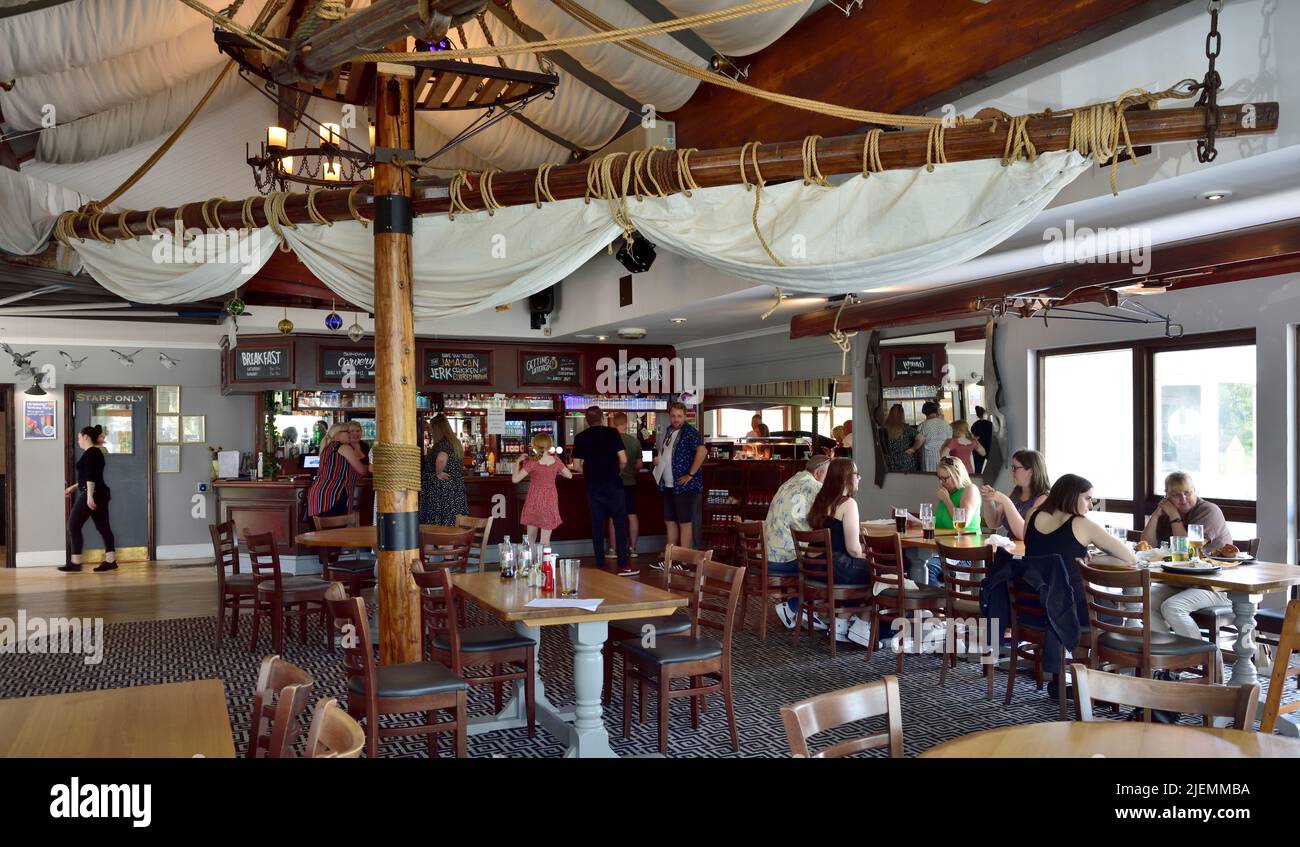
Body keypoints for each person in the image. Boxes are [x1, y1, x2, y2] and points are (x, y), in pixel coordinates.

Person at [1022, 473, 1136, 697]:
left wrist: (1082, 557)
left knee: (1081, 607)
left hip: (1033, 604)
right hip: (1068, 607)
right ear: (1072, 496)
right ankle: (1093, 684)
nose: (1090, 505)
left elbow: (1035, 550)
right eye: (1088, 498)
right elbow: (1129, 557)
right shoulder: (1082, 524)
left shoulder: (1032, 515)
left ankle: (1073, 681)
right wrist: (1090, 559)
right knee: (1109, 614)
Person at [1142, 472, 1233, 642]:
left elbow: (1188, 550)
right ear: (1166, 497)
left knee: (1172, 607)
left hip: (1217, 586)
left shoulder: (1208, 510)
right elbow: (1147, 546)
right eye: (1176, 495)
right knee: (1145, 601)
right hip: (1182, 582)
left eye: (1188, 493)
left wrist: (1174, 517)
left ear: (1195, 491)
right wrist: (1155, 516)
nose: (1183, 499)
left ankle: (1200, 657)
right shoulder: (1168, 513)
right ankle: (1168, 654)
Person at [806, 458, 871, 642]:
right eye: (856, 475)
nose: (859, 478)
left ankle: (841, 624)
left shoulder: (820, 501)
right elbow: (853, 550)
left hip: (814, 568)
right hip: (835, 567)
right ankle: (862, 624)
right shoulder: (848, 504)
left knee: (864, 571)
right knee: (880, 571)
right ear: (846, 478)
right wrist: (868, 556)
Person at [763, 454, 830, 628]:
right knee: (827, 568)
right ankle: (793, 607)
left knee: (820, 562)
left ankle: (807, 610)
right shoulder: (815, 487)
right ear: (817, 473)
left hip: (768, 555)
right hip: (786, 559)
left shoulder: (789, 482)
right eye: (827, 476)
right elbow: (827, 521)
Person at [572, 406, 633, 575]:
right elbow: (623, 459)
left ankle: (600, 565)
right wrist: (617, 470)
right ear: (603, 418)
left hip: (593, 487)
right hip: (614, 485)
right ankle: (623, 564)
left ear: (586, 421)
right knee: (620, 524)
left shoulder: (580, 437)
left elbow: (576, 466)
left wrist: (590, 470)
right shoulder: (612, 433)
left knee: (597, 526)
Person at [919, 456, 984, 587]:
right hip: (943, 549)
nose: (942, 482)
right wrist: (919, 522)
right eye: (939, 478)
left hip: (965, 552)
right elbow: (940, 524)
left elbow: (963, 522)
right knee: (913, 561)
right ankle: (922, 604)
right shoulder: (947, 492)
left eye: (945, 478)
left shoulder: (970, 490)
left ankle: (936, 605)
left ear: (957, 474)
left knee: (928, 567)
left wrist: (947, 500)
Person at [61, 425, 117, 573]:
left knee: (73, 525)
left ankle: (75, 563)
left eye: (79, 437)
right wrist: (74, 487)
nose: (78, 440)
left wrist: (89, 497)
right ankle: (111, 560)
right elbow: (89, 476)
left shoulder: (92, 453)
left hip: (93, 493)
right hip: (99, 493)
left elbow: (91, 477)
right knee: (103, 527)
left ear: (86, 437)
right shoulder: (93, 453)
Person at [653, 401, 706, 551]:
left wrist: (690, 474)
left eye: (679, 416)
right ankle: (670, 557)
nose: (676, 419)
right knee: (669, 521)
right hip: (669, 484)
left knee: (685, 522)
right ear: (669, 416)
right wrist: (659, 460)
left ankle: (684, 560)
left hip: (684, 485)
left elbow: (702, 452)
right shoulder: (669, 431)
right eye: (673, 416)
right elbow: (668, 454)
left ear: (685, 416)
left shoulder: (690, 432)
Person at [512, 432, 571, 546]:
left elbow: (515, 480)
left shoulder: (532, 462)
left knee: (530, 540)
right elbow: (569, 475)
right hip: (550, 500)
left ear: (535, 445)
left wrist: (517, 462)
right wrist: (556, 472)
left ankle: (533, 563)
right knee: (545, 541)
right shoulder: (556, 461)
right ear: (550, 445)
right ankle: (545, 564)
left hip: (534, 500)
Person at [980, 449, 1050, 540]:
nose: (1012, 472)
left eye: (1015, 468)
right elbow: (993, 522)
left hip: (1030, 552)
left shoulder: (1044, 499)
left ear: (1031, 471)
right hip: (1012, 549)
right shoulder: (1014, 493)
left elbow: (1024, 534)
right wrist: (988, 500)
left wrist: (1006, 501)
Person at [308, 422, 370, 518]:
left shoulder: (329, 447)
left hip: (320, 494)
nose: (351, 434)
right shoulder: (344, 447)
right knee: (335, 530)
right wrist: (374, 468)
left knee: (325, 530)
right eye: (348, 432)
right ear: (337, 434)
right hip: (333, 494)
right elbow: (361, 470)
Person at [606, 412, 642, 560]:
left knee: (613, 517)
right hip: (631, 483)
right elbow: (639, 464)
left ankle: (613, 549)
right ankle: (633, 549)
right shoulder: (635, 442)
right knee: (632, 516)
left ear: (613, 424)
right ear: (626, 424)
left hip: (614, 484)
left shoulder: (609, 441)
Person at [419, 414, 466, 526]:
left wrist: (438, 472)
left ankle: (439, 543)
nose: (430, 432)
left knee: (436, 527)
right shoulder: (455, 443)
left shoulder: (442, 444)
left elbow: (441, 458)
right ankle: (451, 543)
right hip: (455, 490)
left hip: (441, 491)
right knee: (452, 525)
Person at [882, 403, 922, 472]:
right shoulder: (905, 428)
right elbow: (921, 438)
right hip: (905, 462)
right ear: (902, 415)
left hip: (889, 463)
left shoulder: (884, 428)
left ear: (890, 414)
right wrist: (913, 449)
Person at [914, 402, 952, 472]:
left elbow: (919, 441)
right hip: (944, 455)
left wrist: (914, 449)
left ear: (924, 412)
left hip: (928, 456)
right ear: (936, 411)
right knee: (943, 475)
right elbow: (950, 440)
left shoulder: (922, 425)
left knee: (929, 477)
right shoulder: (946, 424)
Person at [971, 406, 993, 474]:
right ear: (985, 414)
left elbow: (974, 438)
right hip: (989, 448)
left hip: (977, 449)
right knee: (991, 468)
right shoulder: (990, 424)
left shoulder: (974, 425)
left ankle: (977, 482)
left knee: (978, 469)